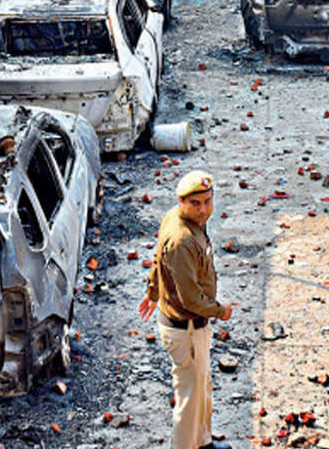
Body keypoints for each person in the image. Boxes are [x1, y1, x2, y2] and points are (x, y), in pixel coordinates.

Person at [138, 170, 232, 449]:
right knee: (189, 399)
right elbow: (191, 300)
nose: (203, 210)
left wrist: (153, 292)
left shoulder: (179, 218)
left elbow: (157, 260)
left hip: (192, 327)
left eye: (207, 201)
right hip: (186, 328)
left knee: (202, 388)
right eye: (195, 203)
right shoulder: (182, 240)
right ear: (181, 201)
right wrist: (220, 310)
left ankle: (203, 443)